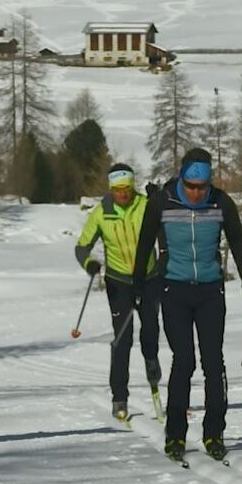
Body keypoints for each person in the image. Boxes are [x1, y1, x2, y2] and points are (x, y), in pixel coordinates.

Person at [133, 148, 242, 463]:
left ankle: (214, 431)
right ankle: (175, 434)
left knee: (213, 362)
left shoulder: (221, 202)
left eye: (202, 187)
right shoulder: (163, 201)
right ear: (182, 178)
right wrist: (139, 285)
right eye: (191, 186)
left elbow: (239, 243)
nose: (197, 192)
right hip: (173, 289)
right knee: (184, 360)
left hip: (210, 291)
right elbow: (145, 241)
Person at [74, 163, 164, 421]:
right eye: (118, 189)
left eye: (127, 188)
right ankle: (119, 397)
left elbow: (167, 224)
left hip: (148, 278)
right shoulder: (102, 213)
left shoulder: (145, 205)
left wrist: (160, 199)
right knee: (122, 340)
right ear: (111, 189)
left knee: (150, 329)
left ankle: (151, 360)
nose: (123, 194)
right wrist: (89, 264)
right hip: (118, 282)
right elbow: (82, 248)